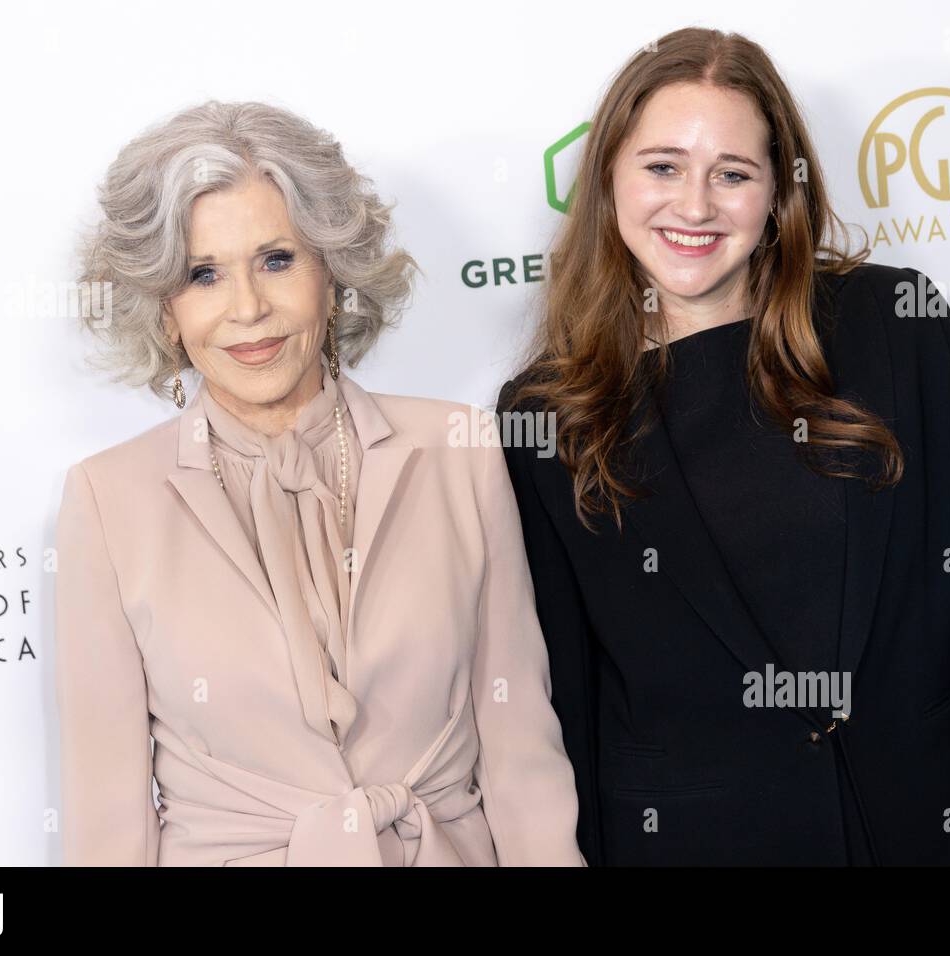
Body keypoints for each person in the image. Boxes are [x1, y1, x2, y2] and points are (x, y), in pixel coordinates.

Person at [497, 29, 950, 865]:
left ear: (779, 192)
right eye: (662, 166)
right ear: (608, 181)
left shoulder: (893, 326)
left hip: (924, 830)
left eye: (732, 174)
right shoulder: (545, 415)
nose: (694, 206)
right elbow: (573, 702)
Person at [55, 100, 583, 866]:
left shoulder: (458, 447)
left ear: (332, 273)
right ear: (165, 313)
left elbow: (520, 749)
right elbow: (107, 818)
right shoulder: (108, 502)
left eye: (277, 259)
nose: (248, 309)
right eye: (203, 275)